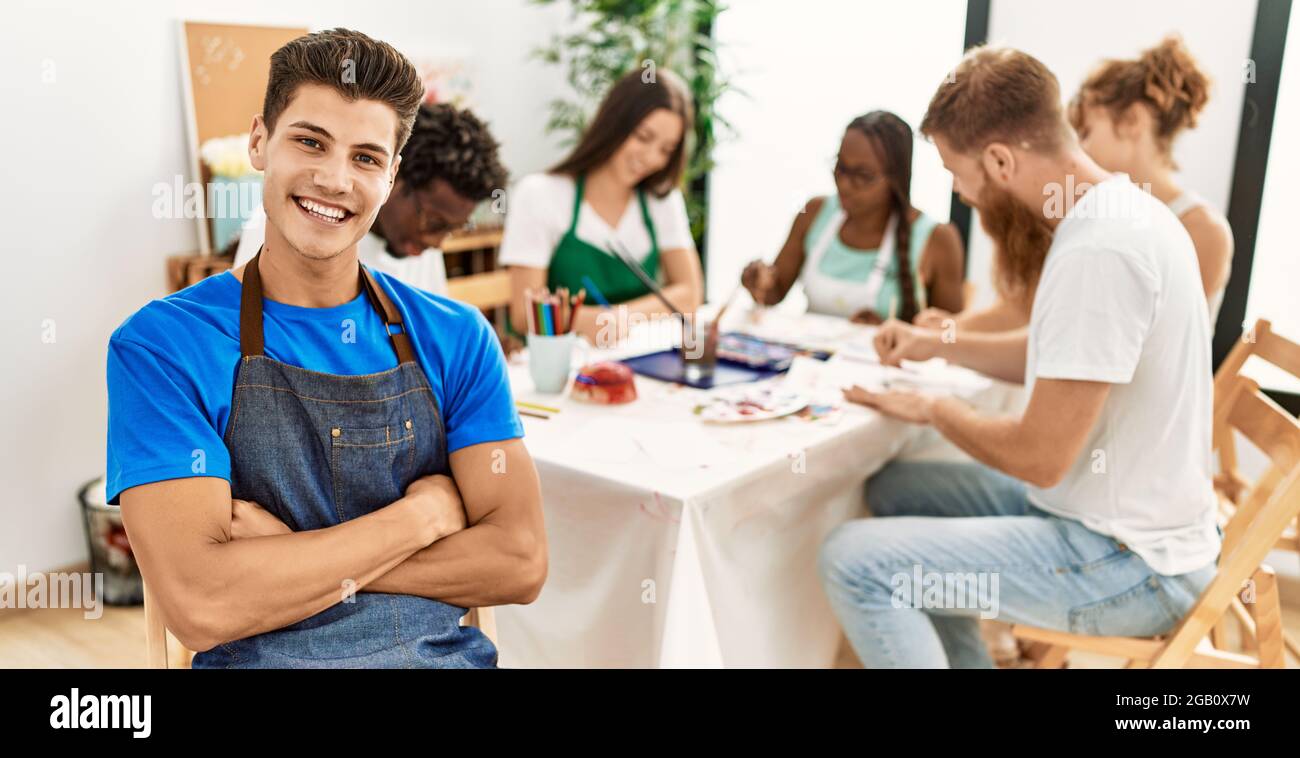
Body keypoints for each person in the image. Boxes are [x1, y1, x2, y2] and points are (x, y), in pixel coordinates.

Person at [108, 29, 546, 668]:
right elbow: (202, 606)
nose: (335, 178)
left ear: (393, 176)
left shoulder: (458, 337)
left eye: (366, 157)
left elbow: (521, 560)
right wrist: (420, 519)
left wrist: (294, 554)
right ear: (260, 142)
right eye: (310, 142)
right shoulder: (162, 347)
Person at [818, 46, 1220, 668]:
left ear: (1001, 160)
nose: (963, 196)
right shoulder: (1117, 211)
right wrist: (941, 342)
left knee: (853, 560)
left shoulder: (1100, 250)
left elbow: (1038, 457)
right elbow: (1062, 356)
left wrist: (934, 408)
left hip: (1129, 566)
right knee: (896, 487)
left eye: (959, 175)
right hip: (1114, 522)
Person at [916, 35, 1232, 334]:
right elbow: (1033, 313)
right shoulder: (1094, 216)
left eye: (1085, 132)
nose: (1075, 152)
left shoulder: (1194, 228)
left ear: (1133, 121)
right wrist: (950, 334)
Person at [499, 68, 704, 343]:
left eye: (666, 150)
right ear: (614, 124)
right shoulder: (539, 194)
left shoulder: (662, 200)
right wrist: (589, 321)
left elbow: (690, 293)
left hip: (636, 362)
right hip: (559, 368)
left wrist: (621, 317)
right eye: (643, 137)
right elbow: (524, 316)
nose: (651, 157)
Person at [234, 102, 509, 296]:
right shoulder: (288, 222)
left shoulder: (416, 247)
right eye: (434, 223)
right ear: (394, 177)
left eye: (451, 229)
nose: (436, 242)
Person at [741, 111, 964, 323]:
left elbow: (951, 338)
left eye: (863, 176)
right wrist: (760, 283)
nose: (845, 184)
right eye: (840, 168)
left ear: (895, 179)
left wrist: (895, 334)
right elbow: (773, 295)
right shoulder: (813, 213)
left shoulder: (938, 240)